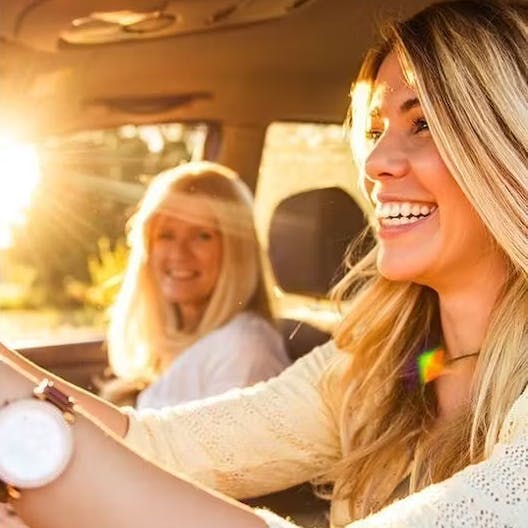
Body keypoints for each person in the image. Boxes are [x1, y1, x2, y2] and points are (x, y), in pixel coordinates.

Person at [0, 1, 526, 527]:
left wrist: (32, 444)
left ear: (511, 145)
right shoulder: (379, 362)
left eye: (424, 124)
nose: (374, 164)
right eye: (375, 132)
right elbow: (163, 447)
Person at [104, 161, 290, 408]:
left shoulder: (243, 348)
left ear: (237, 251)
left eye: (202, 235)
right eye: (165, 235)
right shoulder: (183, 339)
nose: (179, 253)